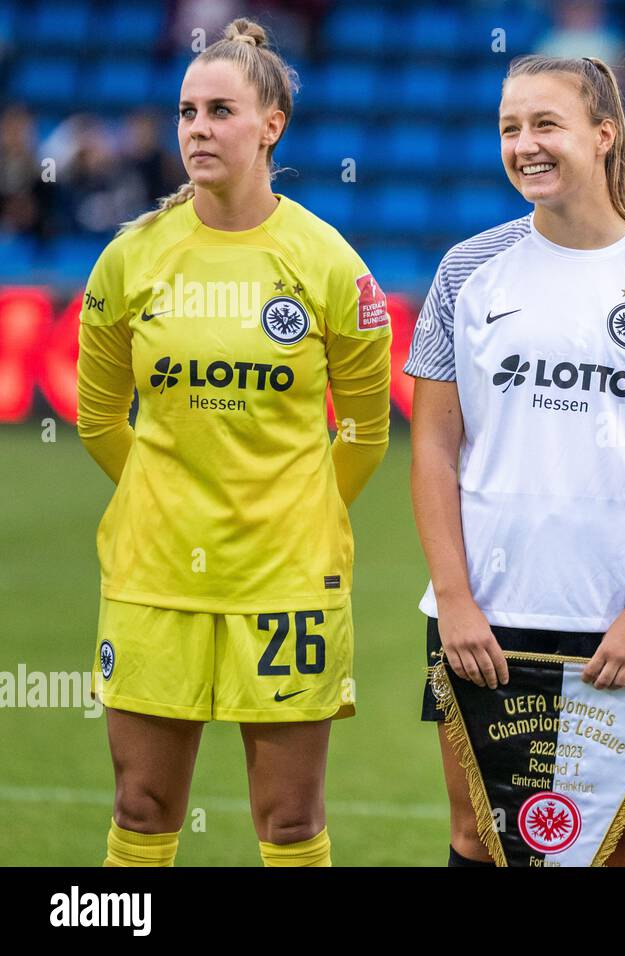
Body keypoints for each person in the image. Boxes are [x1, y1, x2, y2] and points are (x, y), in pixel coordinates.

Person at [76, 18, 391, 867]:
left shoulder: (330, 265)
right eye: (186, 112)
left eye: (221, 110)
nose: (198, 129)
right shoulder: (130, 258)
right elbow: (99, 418)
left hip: (288, 579)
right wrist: (158, 500)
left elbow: (365, 432)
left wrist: (298, 513)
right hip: (153, 574)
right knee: (141, 810)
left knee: (289, 824)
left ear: (271, 124)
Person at [406, 54, 625, 868]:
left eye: (545, 124)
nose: (524, 145)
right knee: (483, 837)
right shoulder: (466, 271)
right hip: (486, 615)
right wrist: (455, 602)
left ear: (604, 135)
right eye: (510, 128)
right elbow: (434, 447)